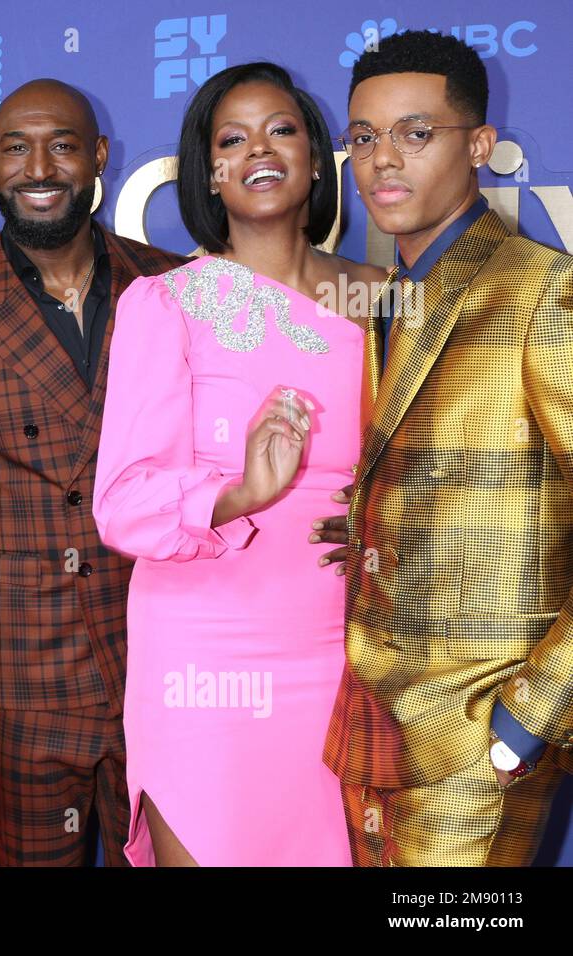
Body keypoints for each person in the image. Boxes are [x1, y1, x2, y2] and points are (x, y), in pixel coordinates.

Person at [93, 63, 387, 867]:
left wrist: (377, 515)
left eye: (282, 129)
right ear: (210, 174)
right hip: (201, 655)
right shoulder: (167, 303)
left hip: (343, 648)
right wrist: (240, 491)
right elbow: (123, 503)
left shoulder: (385, 302)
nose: (260, 149)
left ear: (320, 157)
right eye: (233, 138)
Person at [0, 80, 185, 866]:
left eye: (61, 143)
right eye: (16, 147)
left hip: (159, 657)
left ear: (99, 157)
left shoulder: (177, 288)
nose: (38, 165)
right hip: (17, 673)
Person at [326, 30, 573, 866]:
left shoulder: (544, 289)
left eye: (414, 132)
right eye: (363, 137)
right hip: (375, 731)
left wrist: (527, 720)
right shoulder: (388, 301)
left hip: (482, 739)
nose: (382, 160)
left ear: (479, 146)